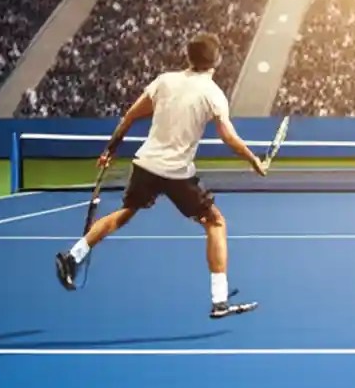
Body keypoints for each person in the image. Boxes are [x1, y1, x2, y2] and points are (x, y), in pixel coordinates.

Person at [53, 33, 268, 318]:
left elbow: (129, 115)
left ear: (188, 57)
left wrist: (110, 149)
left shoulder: (164, 80)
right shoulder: (213, 94)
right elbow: (228, 137)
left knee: (124, 213)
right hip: (177, 173)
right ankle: (219, 301)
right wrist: (254, 160)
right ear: (216, 61)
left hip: (146, 165)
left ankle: (73, 255)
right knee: (215, 222)